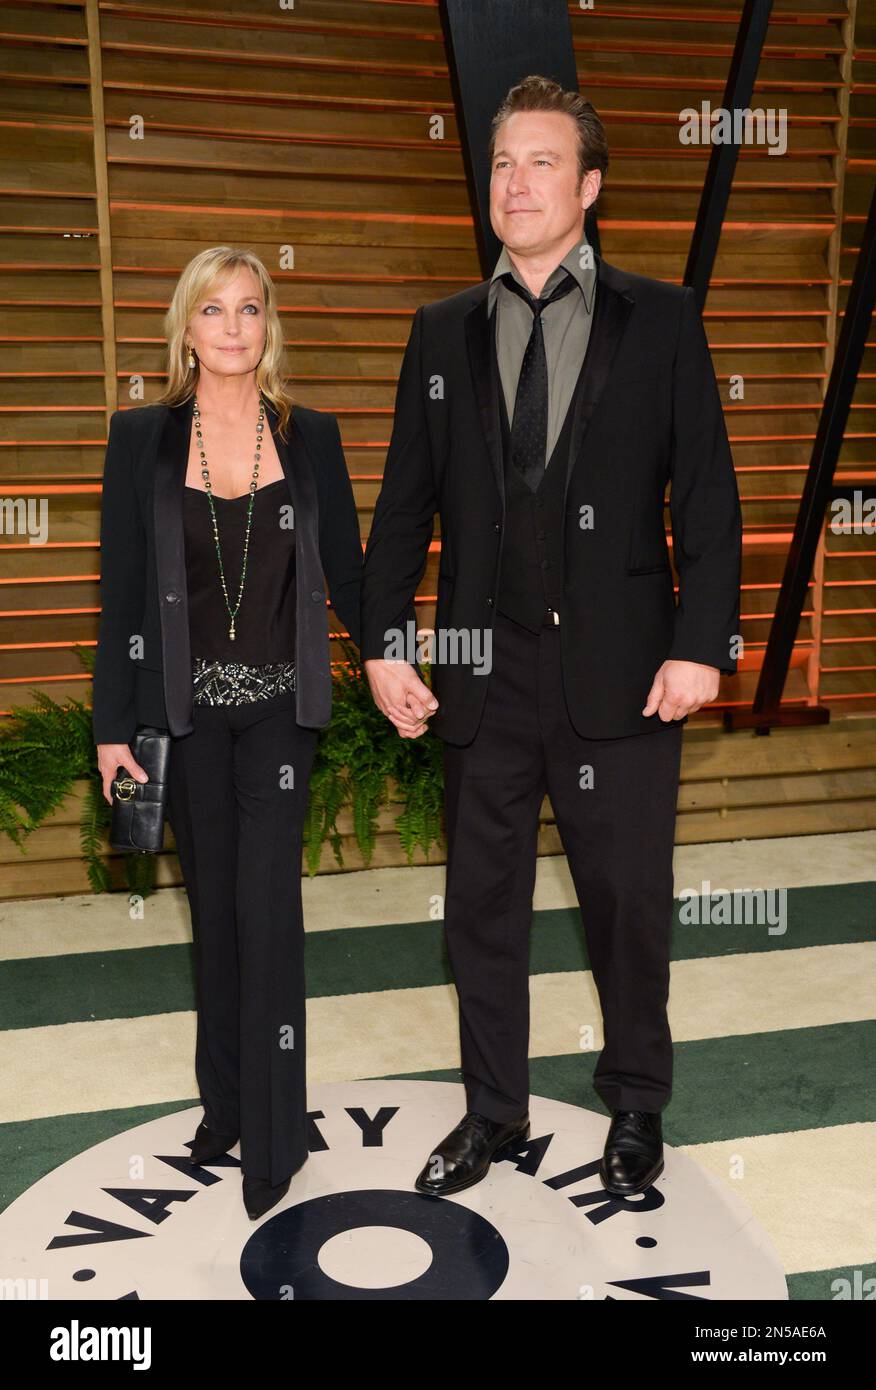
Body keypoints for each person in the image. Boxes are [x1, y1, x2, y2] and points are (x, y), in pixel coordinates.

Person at [361, 76, 741, 1199]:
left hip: (625, 671)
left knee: (626, 900)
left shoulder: (662, 318)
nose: (515, 183)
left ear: (589, 186)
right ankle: (492, 1110)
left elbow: (708, 503)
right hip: (484, 674)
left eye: (540, 163)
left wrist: (700, 643)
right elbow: (401, 510)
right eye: (501, 164)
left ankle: (635, 1105)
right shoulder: (440, 332)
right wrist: (387, 641)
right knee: (480, 907)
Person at [92, 245, 362, 1219]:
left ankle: (275, 1142)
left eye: (251, 309)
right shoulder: (142, 440)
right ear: (187, 327)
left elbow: (355, 577)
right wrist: (110, 726)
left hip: (280, 719)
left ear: (268, 324)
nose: (235, 328)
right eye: (215, 311)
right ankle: (226, 1108)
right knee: (217, 920)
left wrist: (398, 656)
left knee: (269, 914)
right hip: (185, 715)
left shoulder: (312, 436)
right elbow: (121, 591)